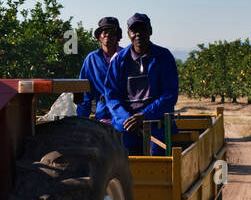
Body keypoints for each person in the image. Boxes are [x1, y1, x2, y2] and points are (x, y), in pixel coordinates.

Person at [102, 12, 179, 154]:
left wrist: (145, 115)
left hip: (156, 121)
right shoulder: (119, 60)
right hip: (127, 123)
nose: (138, 34)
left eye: (142, 29)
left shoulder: (163, 57)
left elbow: (170, 94)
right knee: (119, 158)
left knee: (157, 156)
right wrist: (125, 119)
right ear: (128, 34)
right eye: (133, 30)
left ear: (150, 31)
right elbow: (111, 95)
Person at [76, 16, 124, 121]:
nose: (108, 35)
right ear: (99, 36)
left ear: (118, 36)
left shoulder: (126, 57)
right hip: (102, 116)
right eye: (104, 31)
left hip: (124, 117)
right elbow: (84, 93)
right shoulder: (91, 60)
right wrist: (81, 119)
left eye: (112, 31)